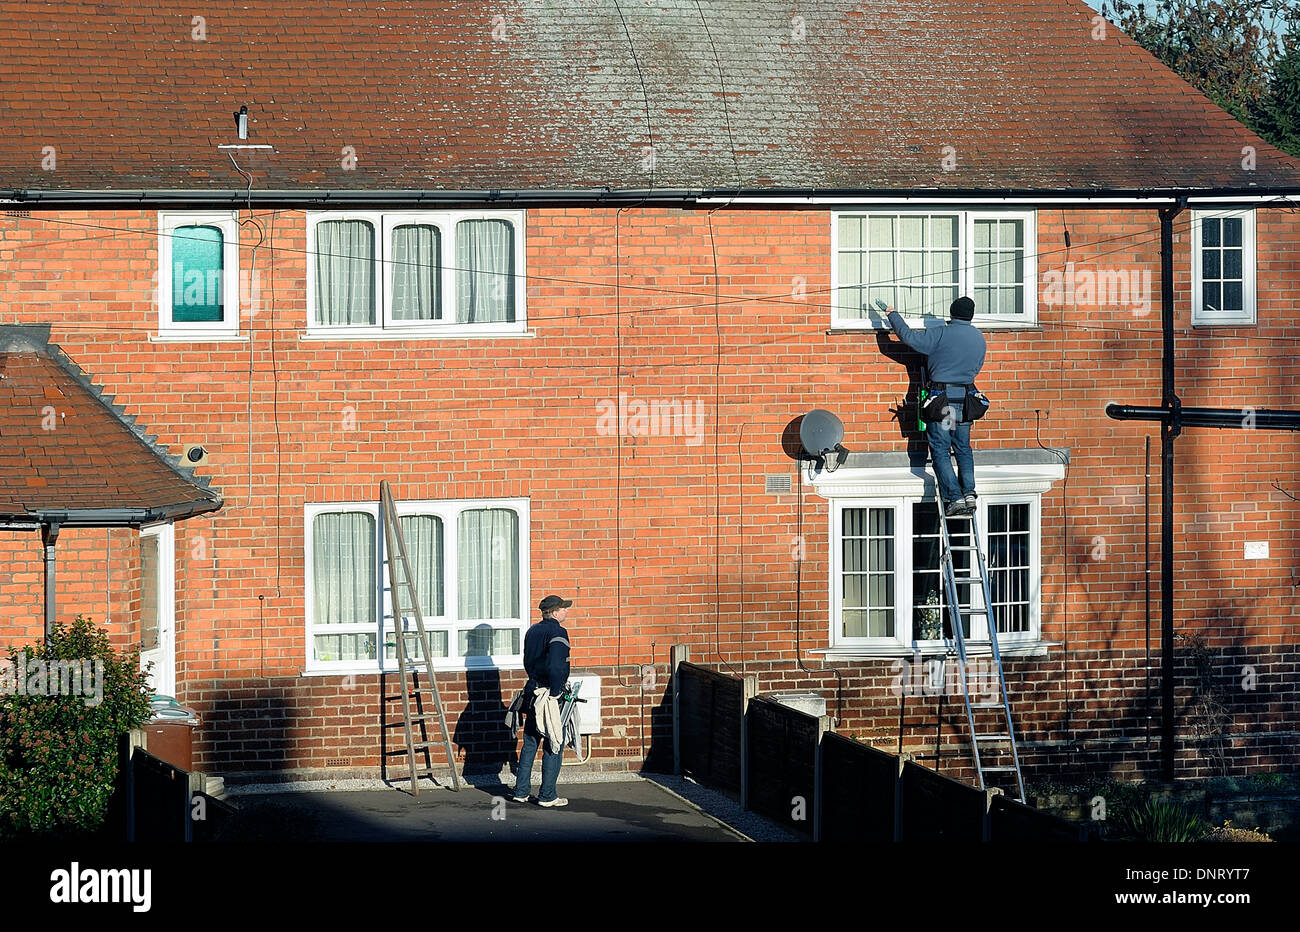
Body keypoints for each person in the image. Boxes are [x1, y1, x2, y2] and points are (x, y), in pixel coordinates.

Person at [885, 296, 987, 517]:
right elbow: (977, 367)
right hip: (966, 400)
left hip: (943, 401)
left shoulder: (942, 333)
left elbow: (909, 338)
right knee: (963, 448)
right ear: (970, 315)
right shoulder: (979, 338)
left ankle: (955, 497)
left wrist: (892, 315)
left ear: (952, 312)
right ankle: (969, 493)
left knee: (940, 448)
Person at [512, 594, 573, 807]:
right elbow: (557, 666)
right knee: (554, 742)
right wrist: (556, 691)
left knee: (530, 741)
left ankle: (520, 791)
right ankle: (547, 795)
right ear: (555, 612)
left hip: (532, 689)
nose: (566, 611)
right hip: (549, 695)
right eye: (564, 608)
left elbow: (527, 661)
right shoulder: (558, 632)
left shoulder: (532, 631)